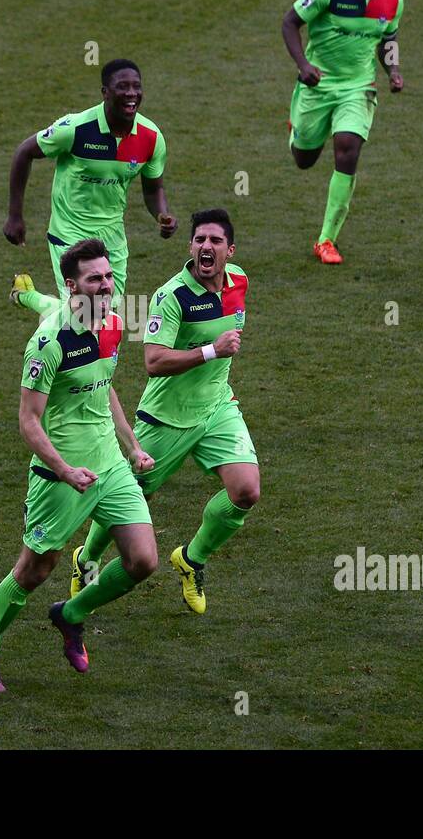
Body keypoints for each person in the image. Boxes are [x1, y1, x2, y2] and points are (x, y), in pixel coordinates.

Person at [0, 239, 158, 694]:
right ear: (73, 286)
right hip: (61, 476)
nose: (107, 286)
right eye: (96, 279)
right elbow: (28, 422)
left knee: (143, 561)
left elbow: (104, 384)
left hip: (110, 467)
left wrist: (131, 446)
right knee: (34, 570)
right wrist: (64, 469)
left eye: (110, 276)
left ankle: (69, 614)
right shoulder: (48, 341)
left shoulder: (111, 323)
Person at [71, 210, 258, 615]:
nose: (206, 246)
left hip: (217, 408)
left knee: (246, 491)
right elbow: (153, 361)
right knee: (134, 497)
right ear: (190, 246)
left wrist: (216, 363)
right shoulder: (170, 296)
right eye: (199, 240)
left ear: (230, 250)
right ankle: (85, 558)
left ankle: (192, 559)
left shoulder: (239, 281)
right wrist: (212, 350)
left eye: (215, 240)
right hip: (167, 418)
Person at [3, 59, 175, 315]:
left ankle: (27, 295)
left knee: (106, 312)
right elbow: (24, 152)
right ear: (105, 92)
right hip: (69, 232)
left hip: (112, 236)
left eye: (136, 86)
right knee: (83, 314)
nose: (131, 93)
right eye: (122, 87)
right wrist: (15, 216)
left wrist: (162, 214)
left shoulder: (151, 138)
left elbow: (153, 189)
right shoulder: (76, 128)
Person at [281, 0, 404, 264]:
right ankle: (298, 128)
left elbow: (388, 37)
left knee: (348, 149)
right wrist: (304, 66)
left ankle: (326, 240)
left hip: (358, 87)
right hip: (317, 83)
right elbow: (290, 22)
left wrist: (392, 69)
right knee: (304, 159)